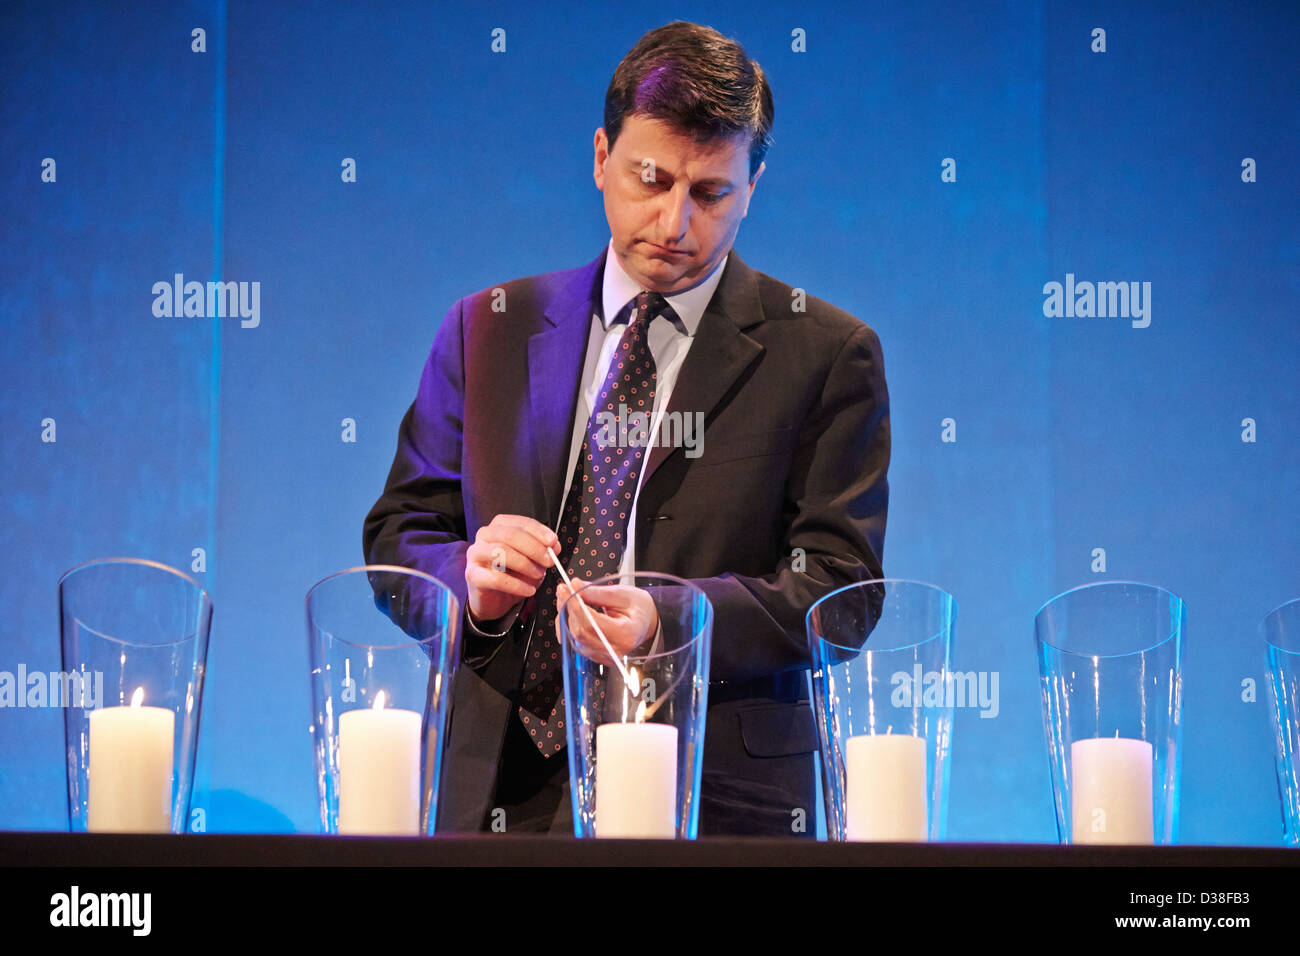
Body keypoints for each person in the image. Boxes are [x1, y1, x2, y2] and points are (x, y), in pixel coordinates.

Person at [363, 20, 890, 836]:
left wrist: (668, 618)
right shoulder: (489, 329)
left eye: (712, 192)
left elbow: (841, 591)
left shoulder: (824, 353)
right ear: (602, 156)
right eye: (651, 178)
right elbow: (399, 534)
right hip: (497, 792)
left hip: (711, 798)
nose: (676, 223)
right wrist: (468, 580)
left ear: (754, 185)